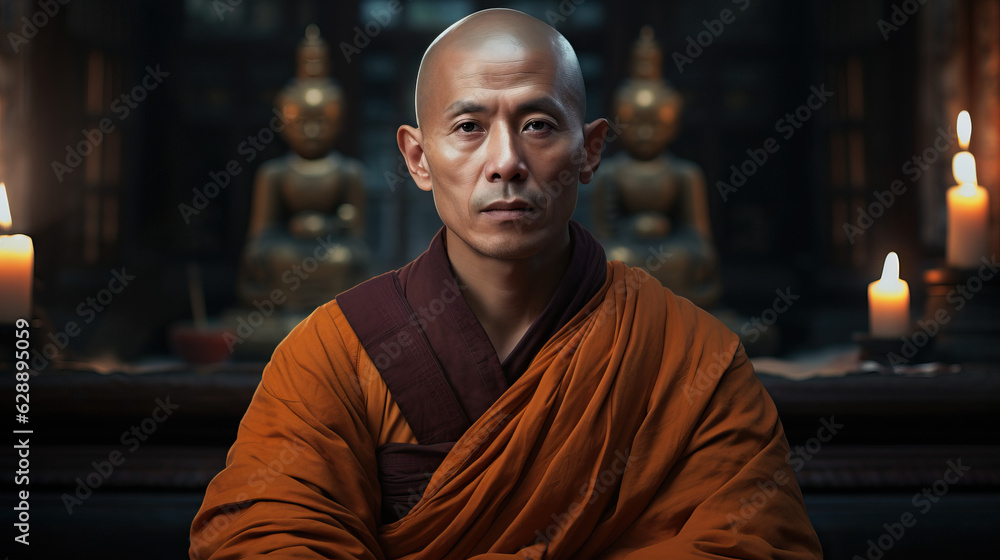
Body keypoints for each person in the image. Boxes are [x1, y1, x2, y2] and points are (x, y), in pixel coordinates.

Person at [190, 9, 822, 560]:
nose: (506, 162)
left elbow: (753, 541)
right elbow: (263, 536)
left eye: (539, 124)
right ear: (417, 158)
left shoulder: (691, 357)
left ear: (591, 149)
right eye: (468, 127)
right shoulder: (329, 354)